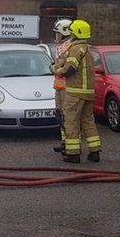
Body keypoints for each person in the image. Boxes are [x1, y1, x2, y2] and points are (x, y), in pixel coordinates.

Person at [53, 19, 101, 164]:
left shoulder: (75, 49)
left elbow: (69, 69)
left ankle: (73, 154)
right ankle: (95, 152)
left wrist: (56, 70)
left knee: (71, 121)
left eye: (72, 32)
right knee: (88, 121)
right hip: (87, 92)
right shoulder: (87, 49)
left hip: (75, 92)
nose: (70, 35)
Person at [50, 19, 73, 155]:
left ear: (64, 33)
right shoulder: (61, 46)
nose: (56, 35)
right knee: (60, 116)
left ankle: (71, 145)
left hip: (67, 88)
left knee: (67, 117)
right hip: (59, 87)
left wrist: (54, 67)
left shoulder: (68, 47)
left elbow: (62, 66)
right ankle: (64, 142)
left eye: (58, 33)